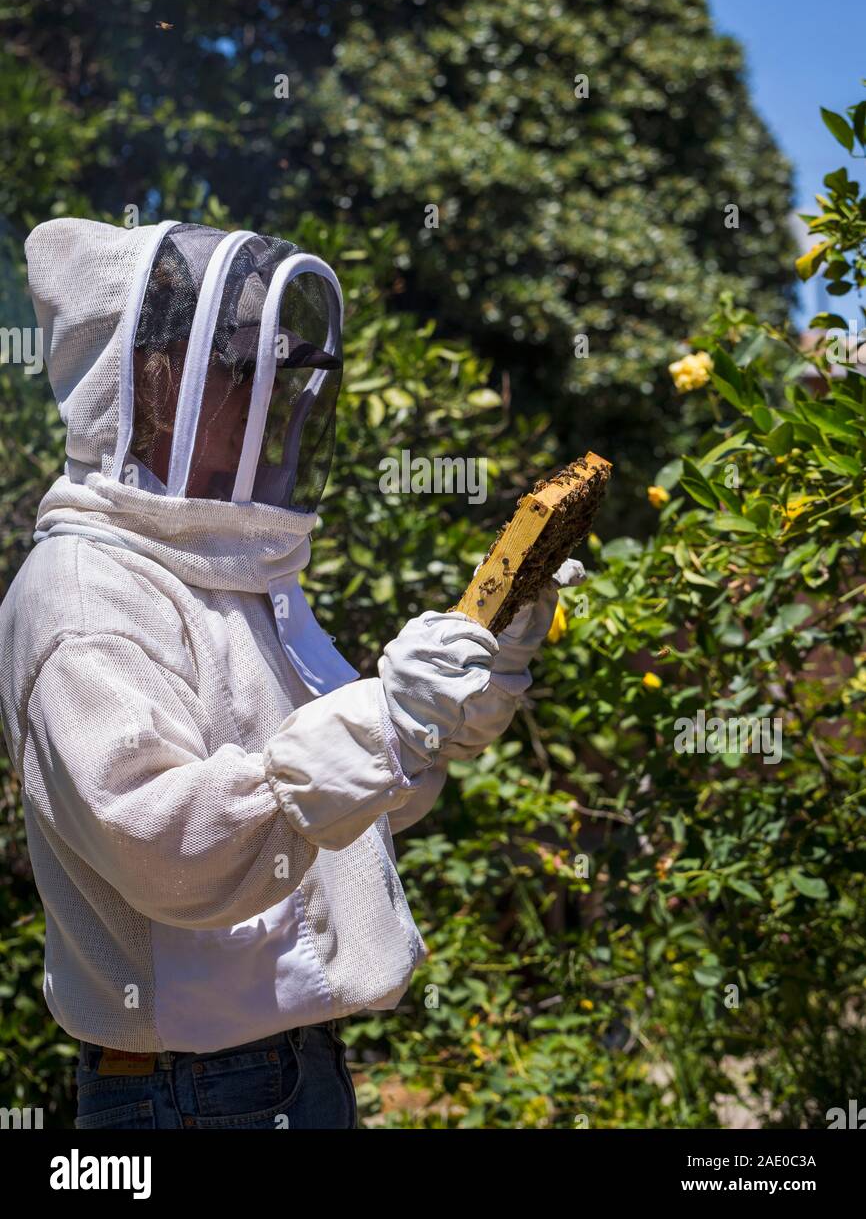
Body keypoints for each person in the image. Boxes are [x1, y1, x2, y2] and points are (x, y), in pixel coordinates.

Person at [0, 218, 580, 1130]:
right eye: (244, 367)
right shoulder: (84, 592)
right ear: (157, 384)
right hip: (190, 1091)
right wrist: (383, 723)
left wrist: (476, 665)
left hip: (280, 1068)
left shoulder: (232, 569)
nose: (274, 394)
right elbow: (166, 843)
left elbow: (365, 808)